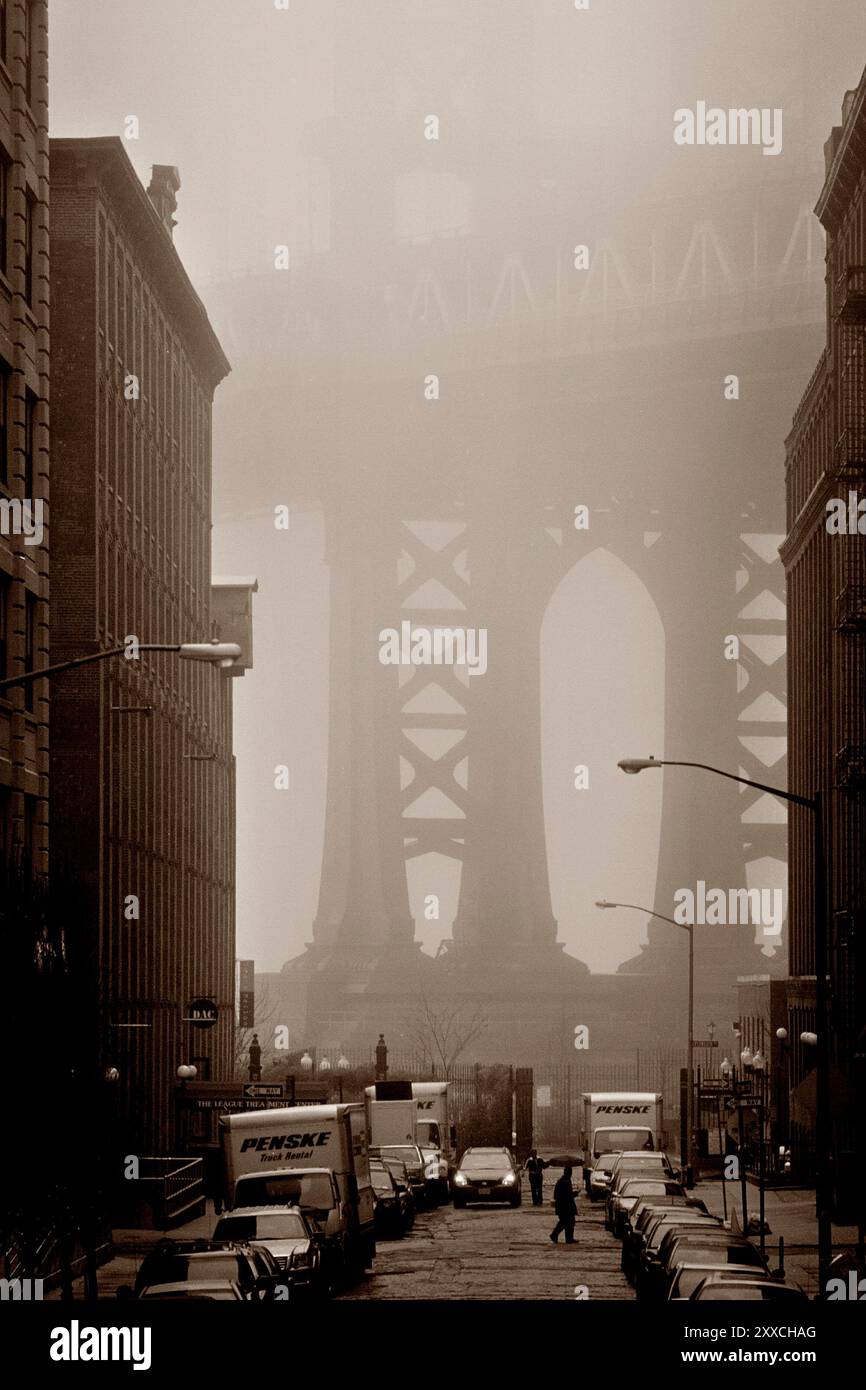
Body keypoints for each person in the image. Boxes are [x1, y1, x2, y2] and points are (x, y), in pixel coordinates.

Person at [550, 1165, 577, 1244]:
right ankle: (563, 1237)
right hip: (565, 1206)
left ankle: (565, 1237)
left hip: (562, 1206)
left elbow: (557, 1195)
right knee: (567, 1222)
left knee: (565, 1222)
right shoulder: (566, 1182)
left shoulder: (562, 1181)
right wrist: (575, 1193)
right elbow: (567, 1195)